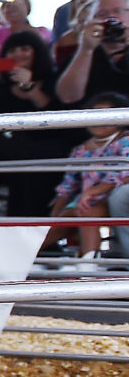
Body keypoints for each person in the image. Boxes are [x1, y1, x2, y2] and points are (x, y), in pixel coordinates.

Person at [0, 29, 72, 217]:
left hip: (49, 146)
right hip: (10, 146)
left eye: (25, 49)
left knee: (31, 162)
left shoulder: (53, 80)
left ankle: (37, 228)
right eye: (12, 50)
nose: (18, 54)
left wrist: (29, 86)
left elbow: (54, 114)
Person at [49, 94, 129, 267]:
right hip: (84, 201)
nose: (99, 122)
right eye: (95, 115)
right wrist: (55, 215)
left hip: (111, 198)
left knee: (88, 213)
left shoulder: (125, 141)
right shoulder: (80, 150)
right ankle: (31, 263)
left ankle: (88, 264)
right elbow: (68, 186)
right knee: (57, 225)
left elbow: (125, 174)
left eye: (107, 117)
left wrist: (95, 191)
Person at [58, 0, 129, 105]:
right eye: (102, 14)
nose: (111, 17)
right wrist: (86, 48)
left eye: (118, 11)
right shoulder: (80, 56)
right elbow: (68, 97)